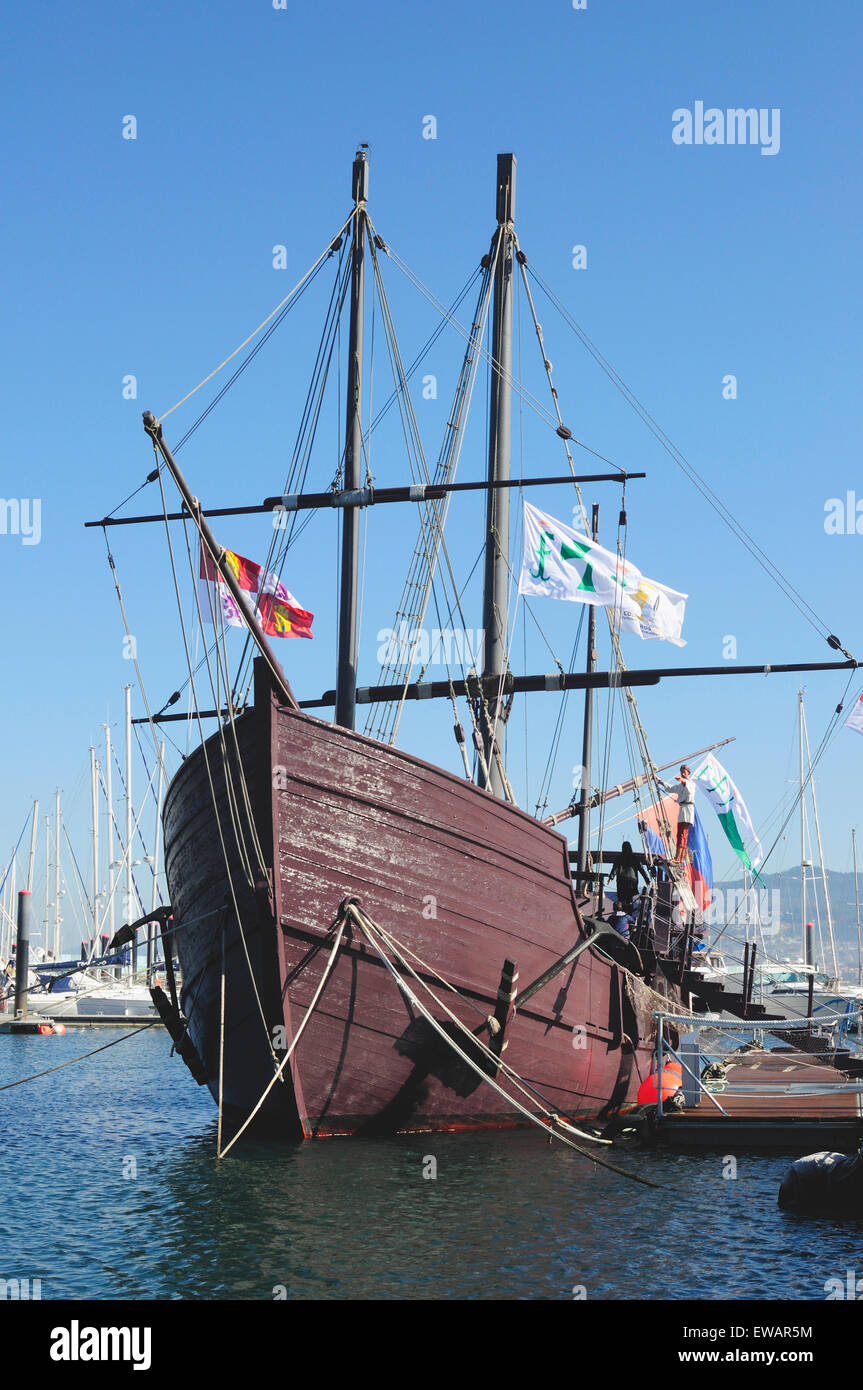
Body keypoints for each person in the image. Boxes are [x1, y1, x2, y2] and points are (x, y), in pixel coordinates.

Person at [660, 764, 696, 862]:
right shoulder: (681, 785)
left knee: (683, 834)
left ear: (688, 772)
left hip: (687, 809)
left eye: (685, 771)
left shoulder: (691, 783)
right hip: (683, 809)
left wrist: (682, 780)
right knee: (681, 833)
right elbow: (670, 788)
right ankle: (680, 858)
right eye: (681, 771)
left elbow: (687, 786)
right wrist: (660, 781)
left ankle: (678, 857)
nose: (683, 772)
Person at [615, 840, 650, 912]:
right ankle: (629, 914)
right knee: (629, 898)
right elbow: (641, 869)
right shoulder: (634, 857)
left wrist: (611, 877)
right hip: (632, 880)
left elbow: (615, 868)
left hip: (622, 880)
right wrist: (647, 880)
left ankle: (620, 912)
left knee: (621, 898)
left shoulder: (619, 857)